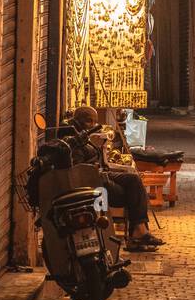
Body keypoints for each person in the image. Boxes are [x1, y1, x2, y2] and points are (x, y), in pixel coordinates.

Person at [70, 105, 164, 251]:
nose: (94, 125)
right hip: (94, 180)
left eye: (95, 122)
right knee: (129, 193)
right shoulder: (73, 139)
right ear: (83, 121)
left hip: (102, 173)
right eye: (91, 121)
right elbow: (80, 169)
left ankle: (139, 230)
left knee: (133, 179)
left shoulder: (84, 135)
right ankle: (137, 233)